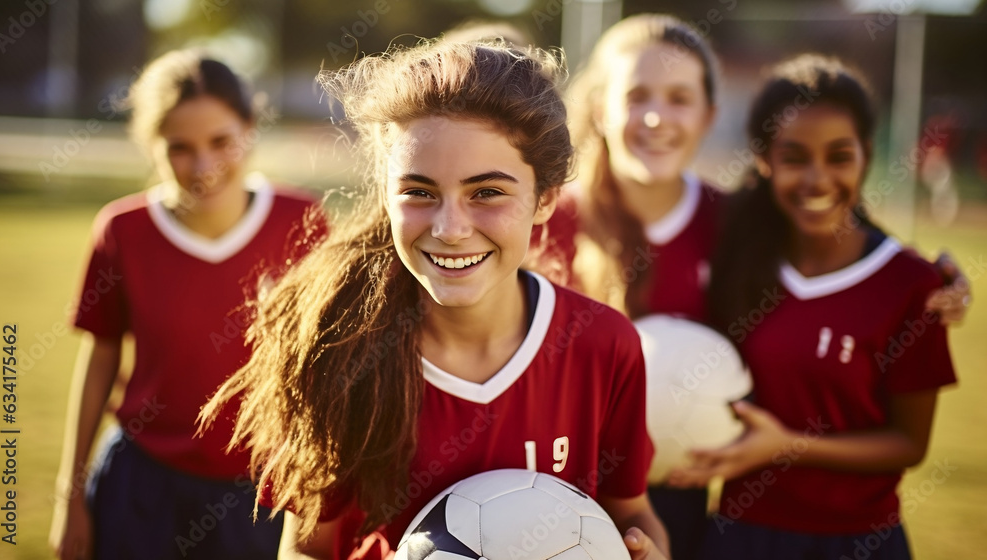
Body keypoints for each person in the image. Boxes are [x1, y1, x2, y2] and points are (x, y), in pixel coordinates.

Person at [200, 39, 670, 560]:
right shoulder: (340, 346)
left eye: (487, 192)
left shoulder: (604, 346)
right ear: (386, 193)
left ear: (546, 198)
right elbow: (307, 548)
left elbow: (632, 512)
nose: (450, 229)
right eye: (419, 192)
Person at [530, 14, 971, 560]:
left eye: (679, 98)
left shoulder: (732, 224)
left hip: (680, 499)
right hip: (548, 494)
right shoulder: (538, 225)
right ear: (600, 106)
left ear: (708, 116)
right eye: (637, 94)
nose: (655, 117)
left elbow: (846, 245)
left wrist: (935, 273)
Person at [668, 54, 957, 560]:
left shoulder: (912, 284)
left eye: (839, 156)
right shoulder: (737, 257)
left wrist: (787, 446)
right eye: (795, 157)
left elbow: (910, 444)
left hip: (860, 542)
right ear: (764, 160)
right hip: (740, 536)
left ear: (866, 156)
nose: (817, 179)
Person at [48, 49, 323, 560]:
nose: (203, 166)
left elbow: (330, 369)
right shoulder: (122, 230)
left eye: (221, 141)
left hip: (264, 491)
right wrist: (70, 497)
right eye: (179, 147)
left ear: (250, 127)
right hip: (142, 486)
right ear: (151, 147)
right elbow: (101, 357)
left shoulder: (302, 221)